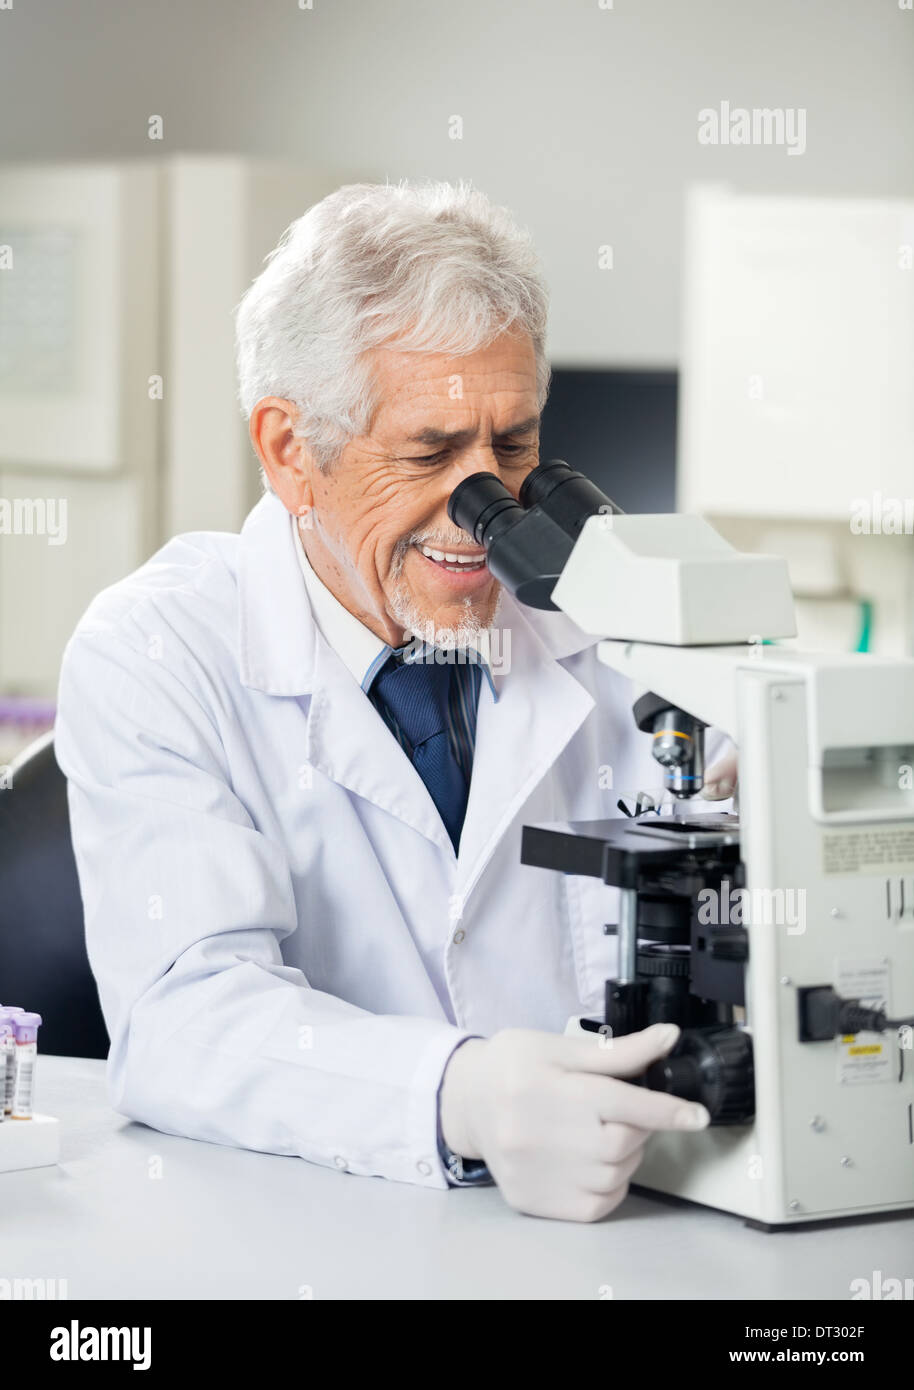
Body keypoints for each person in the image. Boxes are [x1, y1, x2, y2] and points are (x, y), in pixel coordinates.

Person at [56, 180, 732, 1223]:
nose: (487, 507)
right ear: (290, 450)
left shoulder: (611, 611)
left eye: (512, 448)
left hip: (627, 1221)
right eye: (428, 453)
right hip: (311, 1236)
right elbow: (182, 1019)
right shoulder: (159, 648)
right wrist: (453, 1094)